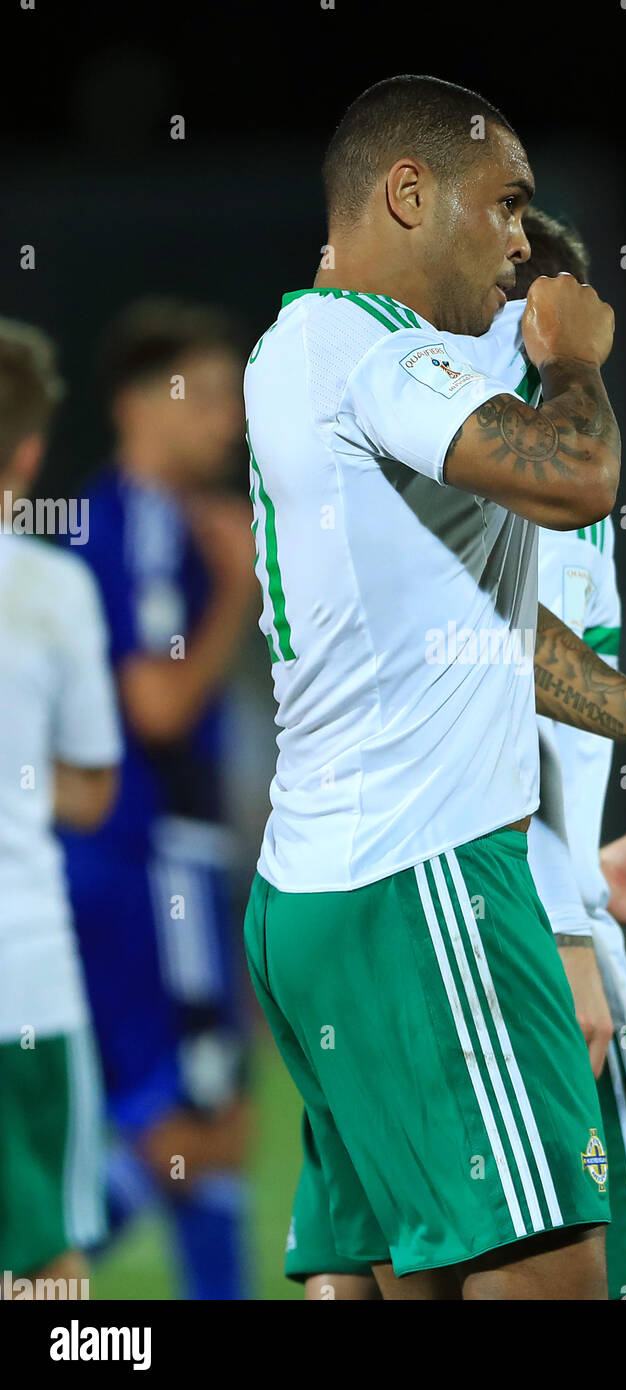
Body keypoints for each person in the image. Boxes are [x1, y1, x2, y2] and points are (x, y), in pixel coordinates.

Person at [244, 74, 626, 1301]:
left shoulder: (293, 351)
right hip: (425, 889)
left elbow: (480, 629)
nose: (524, 237)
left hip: (320, 897)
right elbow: (577, 476)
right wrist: (578, 363)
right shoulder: (364, 351)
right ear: (408, 193)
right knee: (559, 1280)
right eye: (506, 203)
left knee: (409, 1280)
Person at [59, 299, 256, 1300]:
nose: (232, 419)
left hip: (140, 866)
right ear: (143, 404)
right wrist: (240, 589)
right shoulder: (139, 525)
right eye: (211, 396)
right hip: (153, 871)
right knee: (196, 1133)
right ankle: (35, 1270)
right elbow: (160, 700)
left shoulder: (124, 516)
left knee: (207, 1128)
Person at [0, 319, 121, 1296]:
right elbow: (91, 789)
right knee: (44, 1263)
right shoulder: (52, 588)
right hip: (23, 982)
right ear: (30, 452)